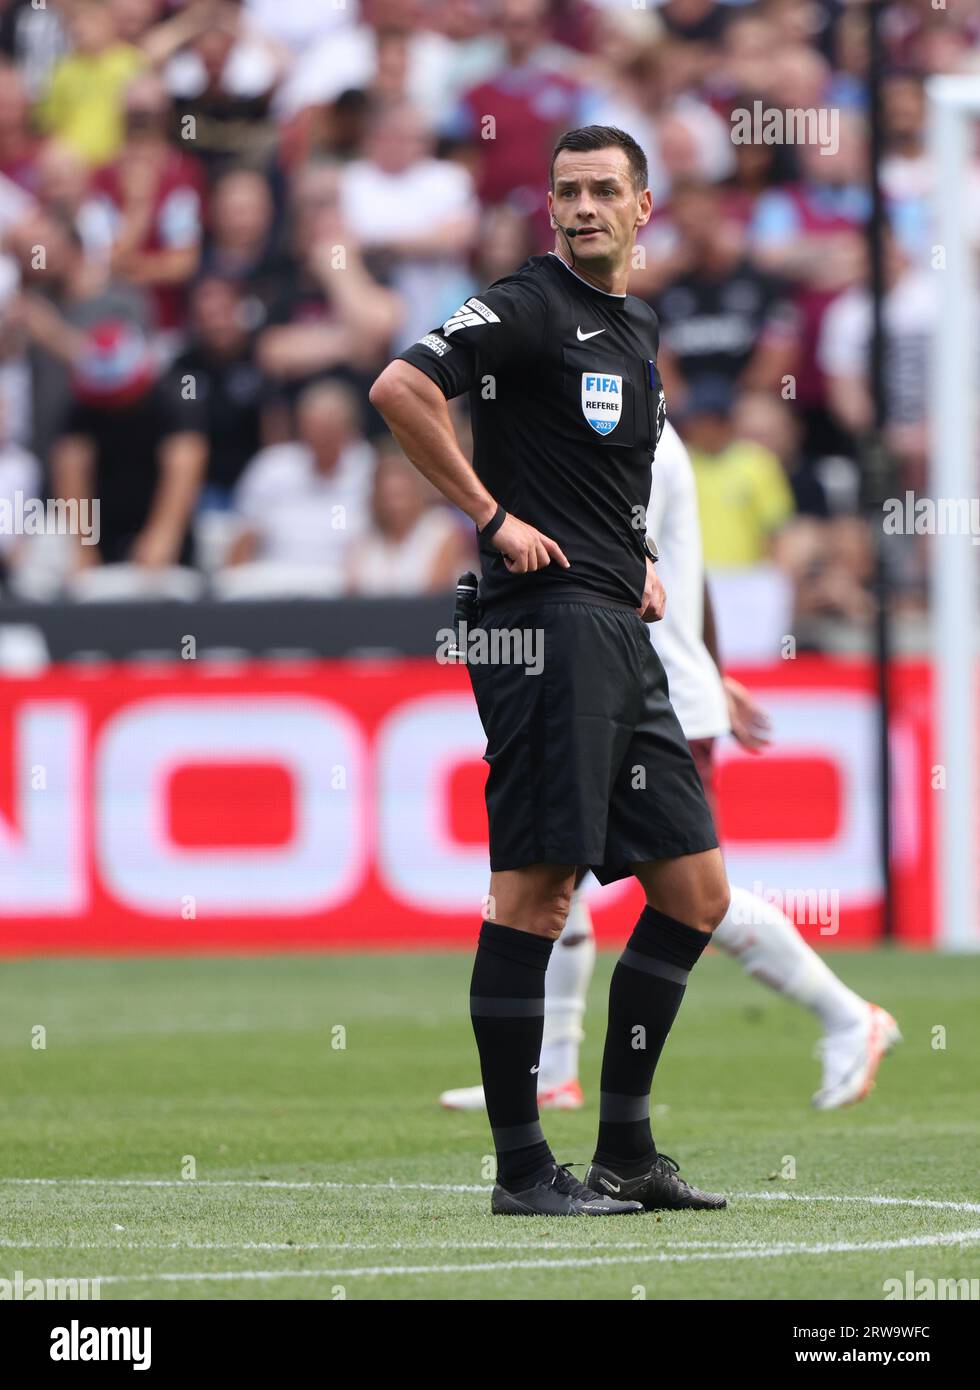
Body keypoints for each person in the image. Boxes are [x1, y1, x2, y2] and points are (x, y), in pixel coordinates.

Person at [371, 124, 729, 1217]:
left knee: (693, 891)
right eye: (565, 192)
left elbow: (598, 469)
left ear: (640, 208)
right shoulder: (525, 304)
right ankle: (524, 1169)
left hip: (618, 626)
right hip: (542, 631)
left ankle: (624, 1147)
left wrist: (644, 560)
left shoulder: (634, 323)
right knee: (536, 891)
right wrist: (489, 515)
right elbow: (398, 388)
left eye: (600, 192)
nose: (580, 208)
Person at [440, 420, 901, 1117]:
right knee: (555, 871)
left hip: (650, 697)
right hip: (641, 682)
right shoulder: (637, 427)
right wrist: (713, 666)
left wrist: (698, 673)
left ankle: (846, 1016)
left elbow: (620, 564)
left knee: (691, 894)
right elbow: (685, 570)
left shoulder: (630, 435)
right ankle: (554, 1069)